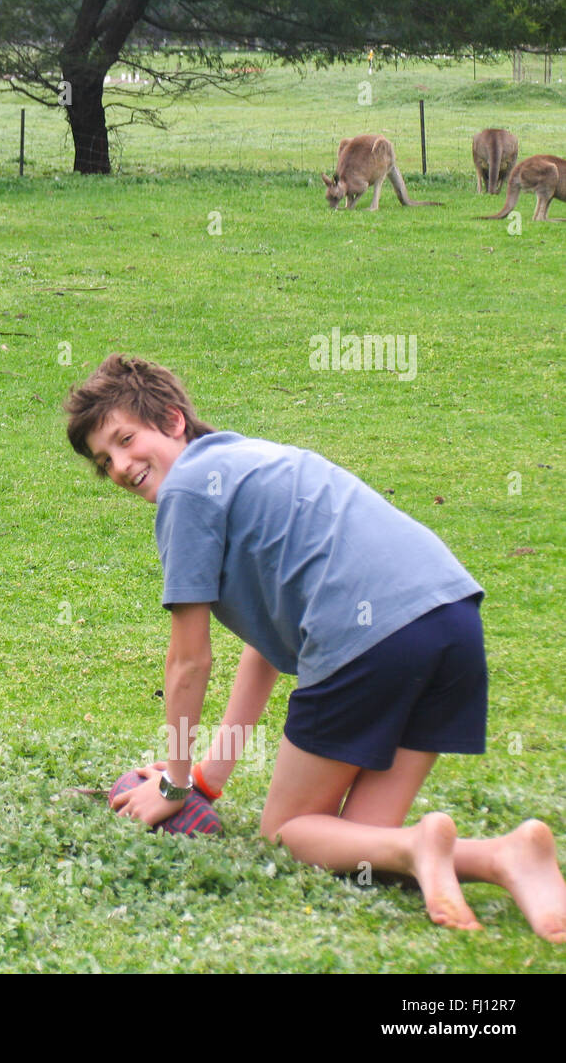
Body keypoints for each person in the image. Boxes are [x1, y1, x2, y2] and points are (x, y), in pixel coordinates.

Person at [64, 354, 566, 941]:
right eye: (105, 460)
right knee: (356, 846)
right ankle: (510, 857)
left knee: (290, 832)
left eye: (126, 440)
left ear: (173, 420)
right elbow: (267, 651)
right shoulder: (249, 462)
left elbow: (188, 662)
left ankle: (426, 842)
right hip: (451, 623)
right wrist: (206, 778)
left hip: (371, 638)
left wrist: (173, 785)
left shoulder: (190, 495)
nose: (122, 466)